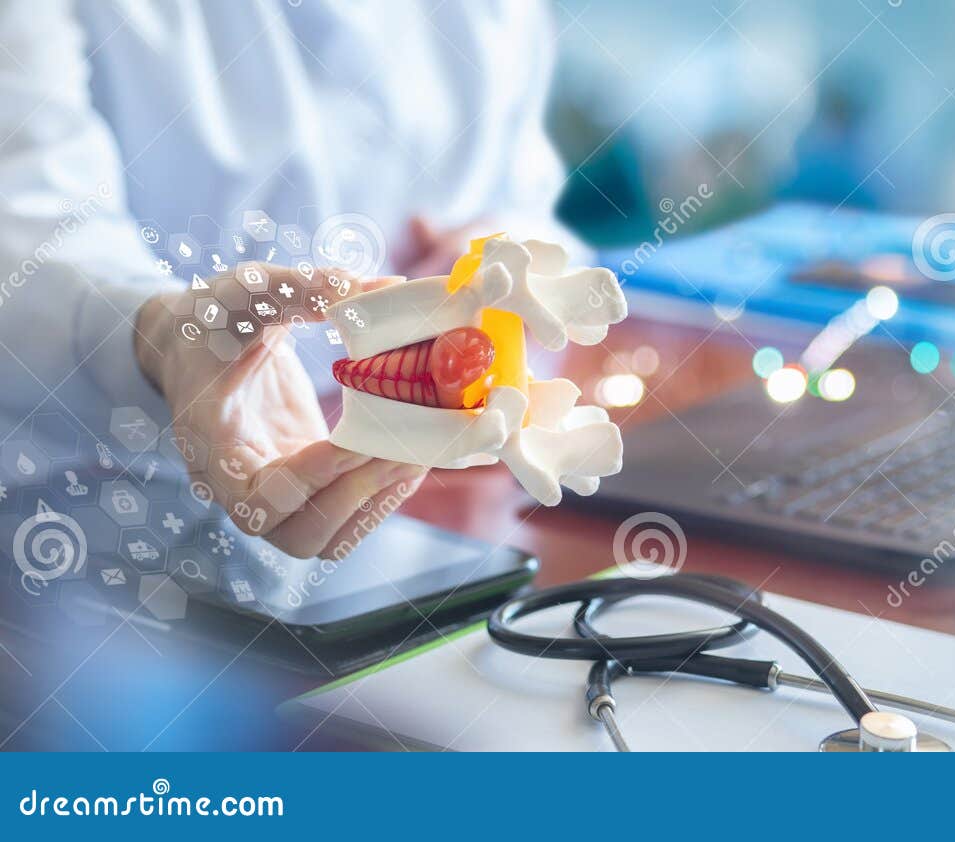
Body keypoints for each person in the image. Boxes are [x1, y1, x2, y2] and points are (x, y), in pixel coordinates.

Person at [0, 1, 578, 560]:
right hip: (67, 505)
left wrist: (500, 254)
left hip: (423, 511)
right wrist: (161, 338)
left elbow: (523, 194)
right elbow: (26, 224)